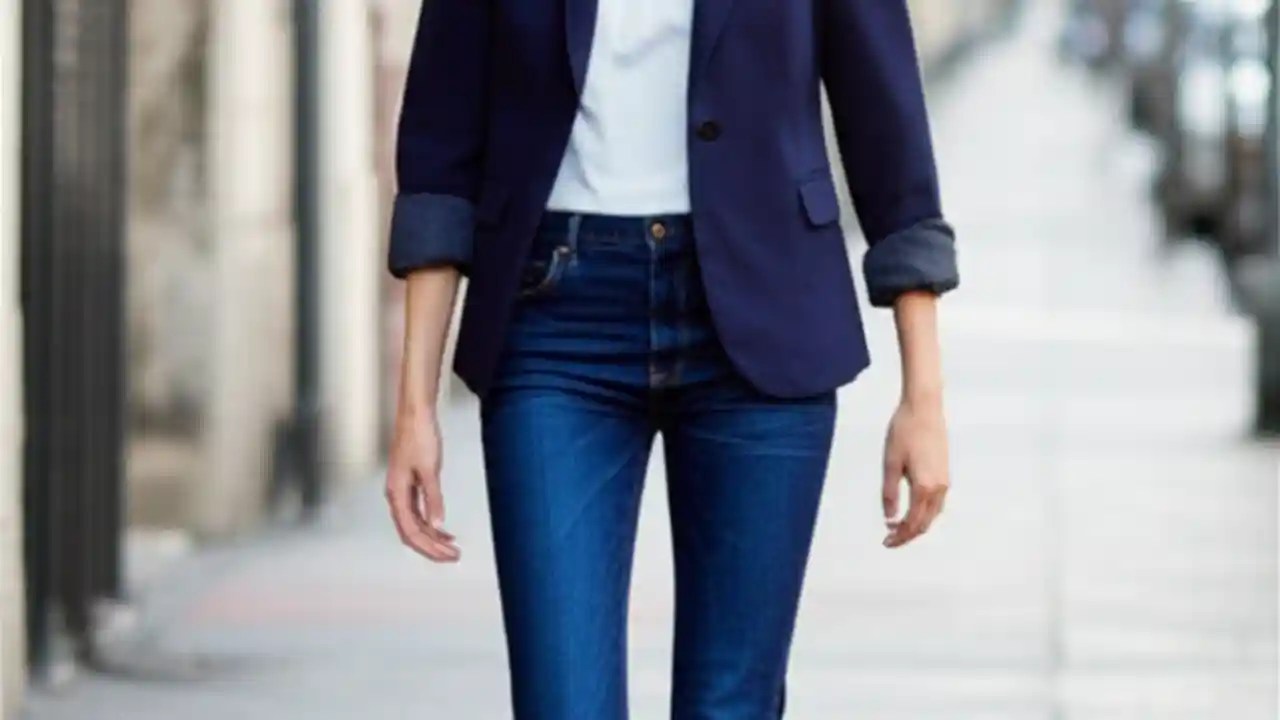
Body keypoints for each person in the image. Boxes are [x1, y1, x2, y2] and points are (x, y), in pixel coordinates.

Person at [384, 0, 958, 717]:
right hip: (557, 321)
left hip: (763, 312)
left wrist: (923, 395)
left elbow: (889, 136)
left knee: (730, 704)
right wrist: (415, 407)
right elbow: (442, 151)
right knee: (561, 701)